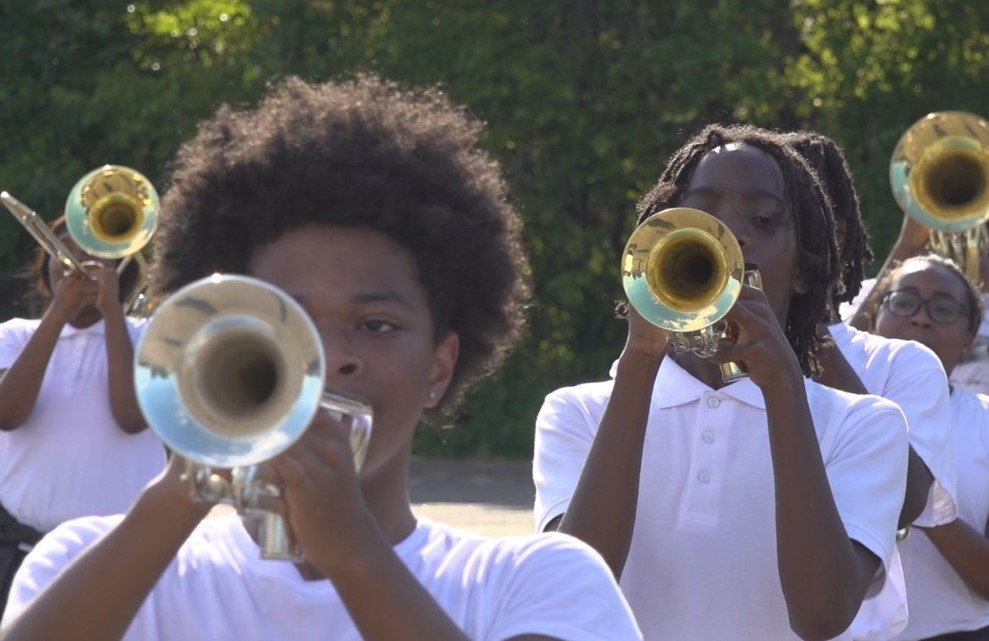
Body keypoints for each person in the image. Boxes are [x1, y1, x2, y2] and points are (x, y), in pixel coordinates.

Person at [2, 74, 642, 641]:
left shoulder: (538, 581)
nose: (329, 358)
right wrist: (179, 495)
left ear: (439, 368)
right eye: (288, 320)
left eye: (376, 325)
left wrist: (351, 549)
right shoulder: (84, 558)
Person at [533, 123, 910, 641]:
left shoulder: (865, 425)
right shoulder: (577, 413)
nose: (727, 235)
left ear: (804, 270)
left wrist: (782, 387)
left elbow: (821, 616)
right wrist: (640, 360)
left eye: (762, 219)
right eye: (703, 213)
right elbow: (571, 596)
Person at [843, 213, 989, 641]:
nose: (921, 319)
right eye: (903, 303)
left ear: (970, 337)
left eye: (944, 310)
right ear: (874, 317)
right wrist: (905, 245)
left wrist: (920, 498)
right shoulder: (823, 414)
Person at [783, 131, 959, 640]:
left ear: (834, 233)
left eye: (772, 219)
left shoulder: (902, 364)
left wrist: (802, 331)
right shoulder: (679, 360)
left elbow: (910, 501)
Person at [0, 219, 165, 617]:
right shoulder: (15, 335)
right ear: (46, 266)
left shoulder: (150, 336)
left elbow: (131, 417)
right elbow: (7, 414)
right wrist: (59, 314)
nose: (76, 262)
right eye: (63, 249)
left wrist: (111, 311)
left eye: (94, 253)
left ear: (119, 270)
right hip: (19, 550)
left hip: (116, 553)